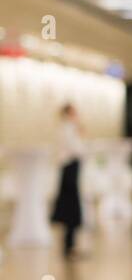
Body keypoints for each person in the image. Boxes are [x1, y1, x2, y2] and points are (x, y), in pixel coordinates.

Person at [50, 103, 84, 258]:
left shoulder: (66, 129)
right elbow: (77, 149)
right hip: (69, 168)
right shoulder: (68, 129)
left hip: (70, 169)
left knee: (70, 207)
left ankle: (70, 245)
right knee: (71, 206)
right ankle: (68, 246)